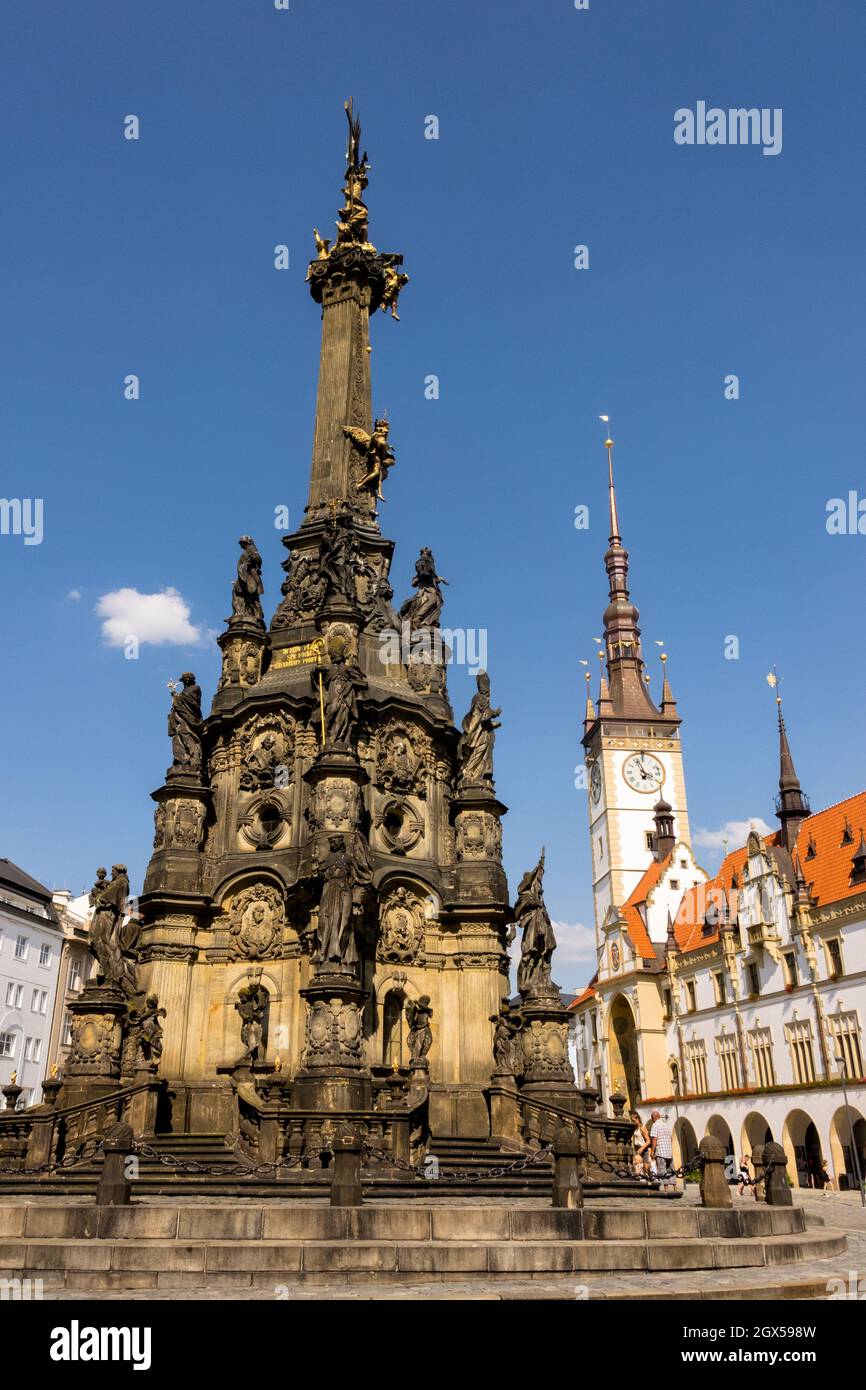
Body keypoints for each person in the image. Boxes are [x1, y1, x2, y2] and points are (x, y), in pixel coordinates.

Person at [649, 1109, 677, 1194]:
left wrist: (652, 1151)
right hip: (669, 1152)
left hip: (661, 1151)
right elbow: (671, 1138)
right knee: (671, 1169)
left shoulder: (655, 1125)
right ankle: (675, 1187)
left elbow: (654, 1138)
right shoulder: (666, 1124)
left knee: (662, 1169)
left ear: (653, 1118)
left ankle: (666, 1188)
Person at [630, 1110, 651, 1180]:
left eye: (633, 1120)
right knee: (637, 1167)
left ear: (637, 1119)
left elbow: (648, 1141)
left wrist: (642, 1148)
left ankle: (649, 1181)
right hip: (637, 1149)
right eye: (631, 1120)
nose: (632, 1122)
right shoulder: (634, 1128)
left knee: (646, 1168)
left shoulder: (642, 1128)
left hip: (643, 1149)